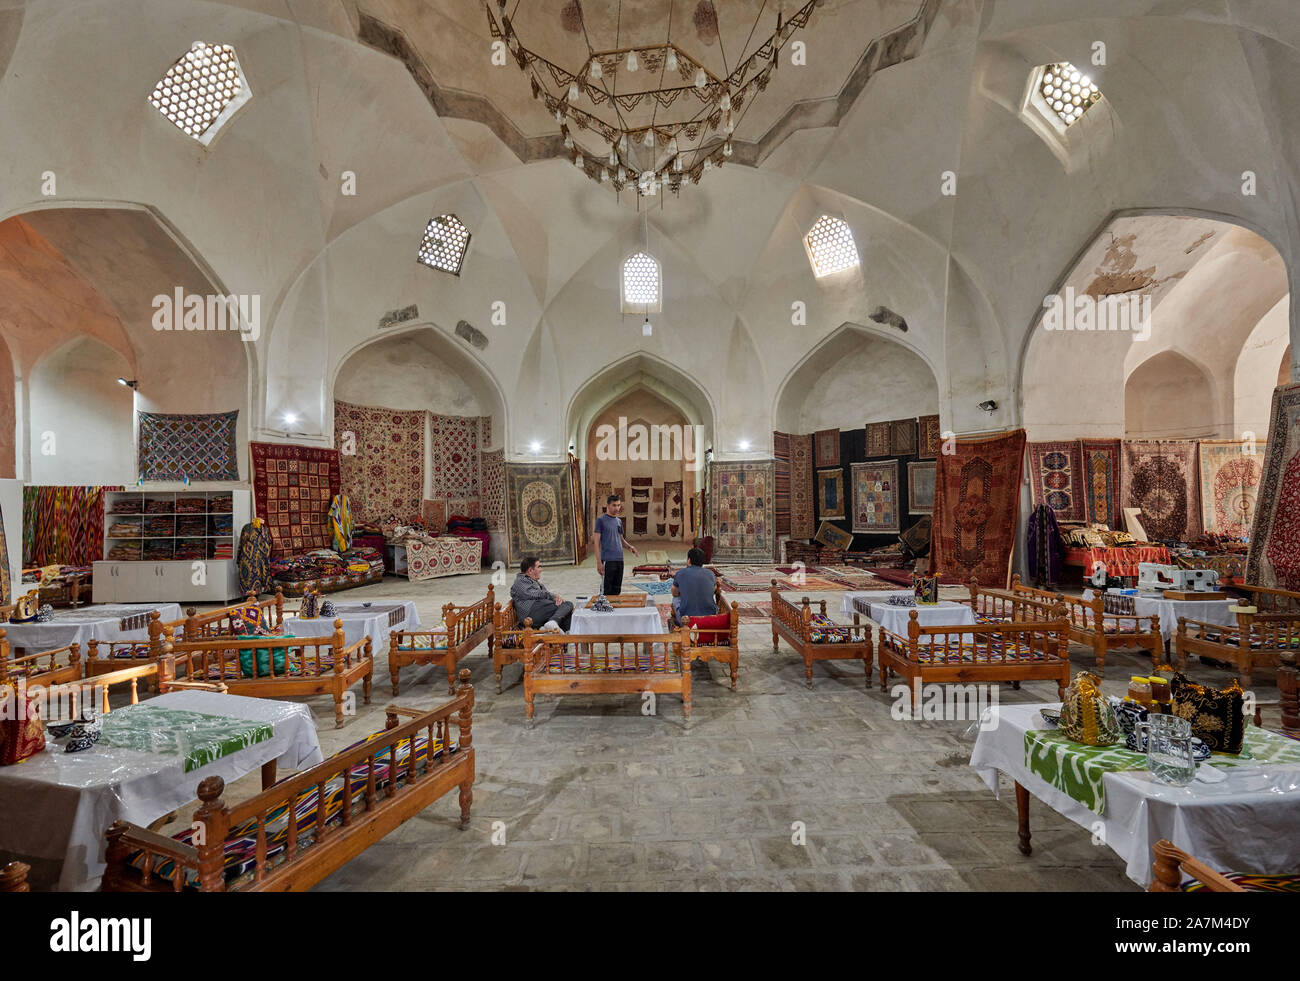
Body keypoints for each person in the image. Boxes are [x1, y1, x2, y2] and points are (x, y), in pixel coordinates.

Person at [510, 556, 573, 631]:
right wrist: (553, 596)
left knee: (565, 611)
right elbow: (536, 594)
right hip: (530, 614)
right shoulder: (520, 581)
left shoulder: (532, 581)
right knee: (567, 605)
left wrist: (555, 599)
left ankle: (553, 630)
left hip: (538, 611)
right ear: (530, 570)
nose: (541, 569)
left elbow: (543, 594)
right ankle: (553, 622)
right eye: (539, 567)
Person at [592, 494, 637, 595]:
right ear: (607, 505)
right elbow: (596, 543)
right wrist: (599, 562)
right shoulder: (601, 520)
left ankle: (615, 610)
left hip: (619, 560)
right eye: (614, 505)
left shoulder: (619, 521)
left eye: (618, 505)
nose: (617, 508)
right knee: (606, 591)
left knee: (617, 590)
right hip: (608, 560)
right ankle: (604, 609)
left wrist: (630, 547)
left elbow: (621, 539)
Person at [670, 547, 717, 626]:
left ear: (689, 560)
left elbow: (674, 593)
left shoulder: (680, 573)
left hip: (687, 620)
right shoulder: (710, 573)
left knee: (676, 599)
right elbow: (713, 589)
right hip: (710, 617)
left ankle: (681, 624)